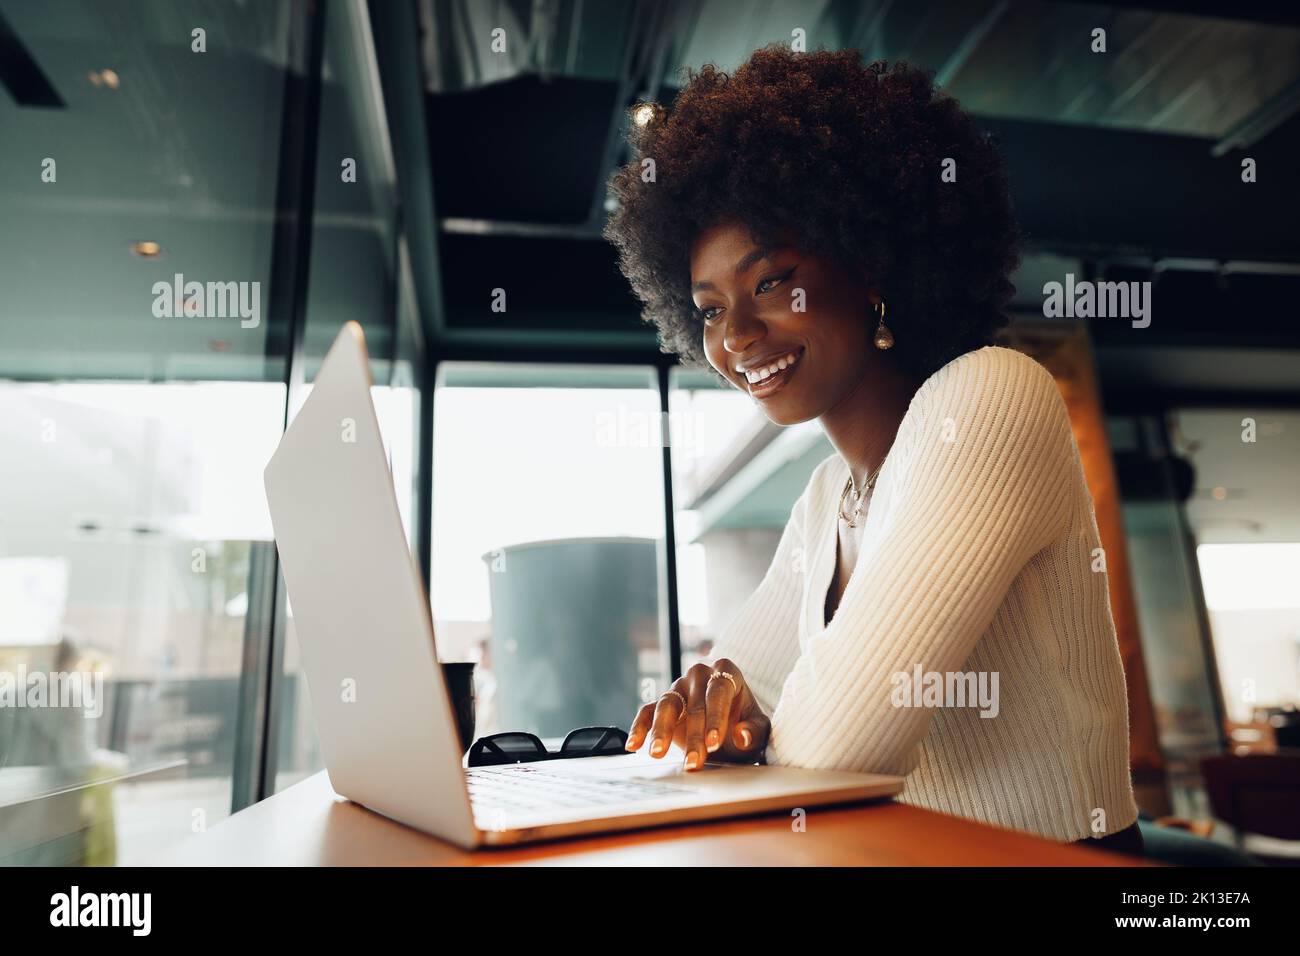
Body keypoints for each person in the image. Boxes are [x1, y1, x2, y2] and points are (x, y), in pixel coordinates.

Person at [605, 46, 1142, 851]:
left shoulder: (992, 397)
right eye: (709, 310)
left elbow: (832, 750)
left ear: (870, 264)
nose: (737, 335)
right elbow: (738, 699)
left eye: (770, 281)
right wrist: (718, 715)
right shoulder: (827, 497)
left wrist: (765, 728)